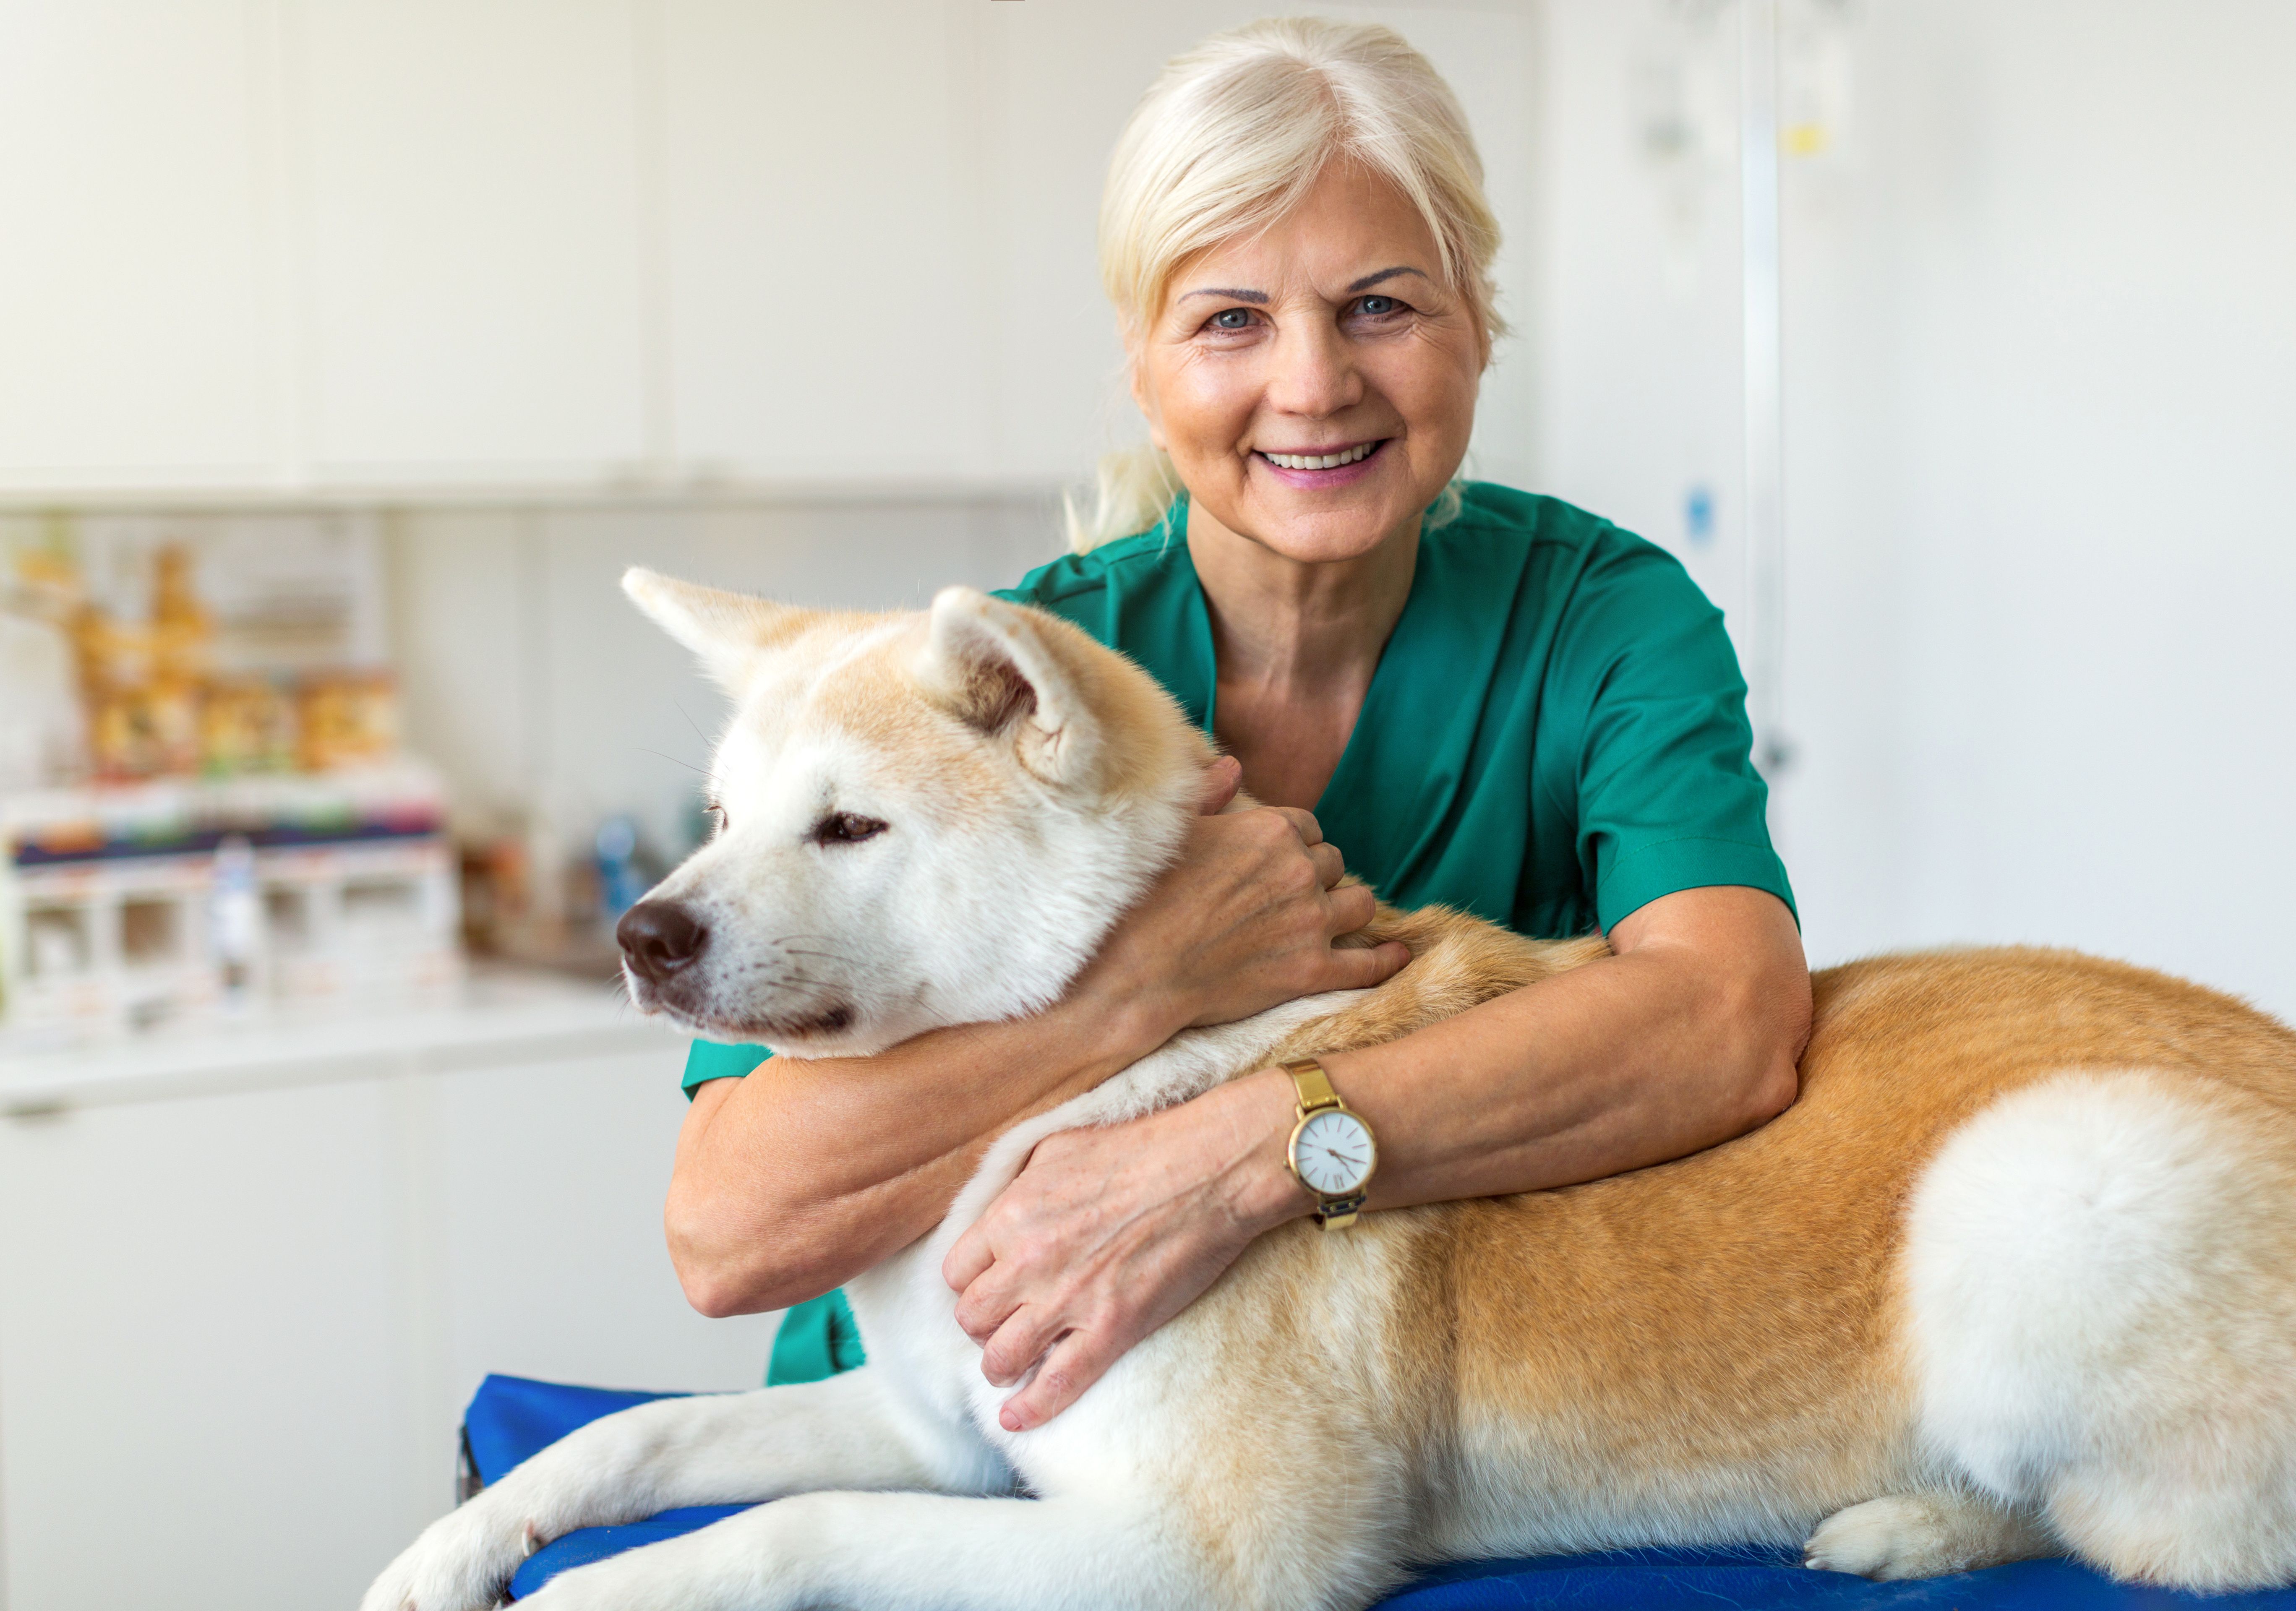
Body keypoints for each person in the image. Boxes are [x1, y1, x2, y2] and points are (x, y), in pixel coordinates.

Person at [666, 16, 1812, 1433]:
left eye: (1383, 305)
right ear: (1145, 371)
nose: (1315, 383)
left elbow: (1730, 1025)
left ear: (1481, 327)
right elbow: (728, 1235)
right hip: (953, 1424)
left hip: (1364, 1431)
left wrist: (1254, 1147)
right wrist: (1155, 982)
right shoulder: (986, 687)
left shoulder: (1605, 623)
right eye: (1230, 321)